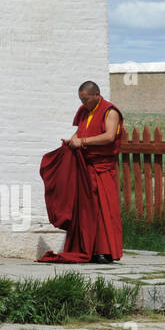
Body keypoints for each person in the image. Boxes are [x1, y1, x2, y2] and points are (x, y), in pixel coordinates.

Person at [39, 80, 123, 264]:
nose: (83, 103)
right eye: (81, 100)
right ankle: (90, 248)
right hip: (85, 168)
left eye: (86, 99)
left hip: (102, 168)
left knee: (104, 209)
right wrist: (72, 141)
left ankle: (105, 251)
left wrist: (83, 142)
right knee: (87, 210)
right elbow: (79, 132)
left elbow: (109, 136)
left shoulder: (110, 111)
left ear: (96, 95)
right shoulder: (85, 112)